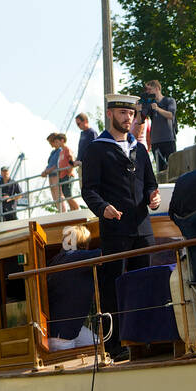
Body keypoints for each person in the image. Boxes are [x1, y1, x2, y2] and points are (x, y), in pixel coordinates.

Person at [81, 93, 161, 362]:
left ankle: (147, 340)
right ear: (110, 114)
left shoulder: (139, 148)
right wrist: (102, 208)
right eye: (123, 114)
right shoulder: (96, 149)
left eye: (131, 114)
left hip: (142, 227)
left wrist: (153, 195)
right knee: (113, 288)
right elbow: (88, 190)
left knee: (147, 283)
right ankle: (114, 346)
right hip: (115, 230)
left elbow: (149, 182)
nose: (129, 118)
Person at [46, 224, 100, 352]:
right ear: (83, 242)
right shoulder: (77, 257)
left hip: (62, 329)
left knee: (98, 344)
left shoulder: (57, 259)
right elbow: (108, 253)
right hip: (61, 336)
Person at [138, 80, 177, 174]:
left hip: (169, 139)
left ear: (157, 88)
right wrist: (139, 110)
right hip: (156, 141)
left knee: (173, 168)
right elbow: (140, 121)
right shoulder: (149, 103)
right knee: (160, 171)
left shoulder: (169, 100)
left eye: (149, 89)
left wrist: (158, 109)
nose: (148, 92)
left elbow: (171, 115)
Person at [42, 133, 65, 210]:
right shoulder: (53, 152)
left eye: (51, 142)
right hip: (50, 175)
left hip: (56, 174)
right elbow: (50, 163)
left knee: (58, 194)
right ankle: (59, 210)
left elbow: (57, 164)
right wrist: (45, 171)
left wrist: (48, 170)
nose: (50, 144)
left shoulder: (60, 151)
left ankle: (63, 211)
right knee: (54, 195)